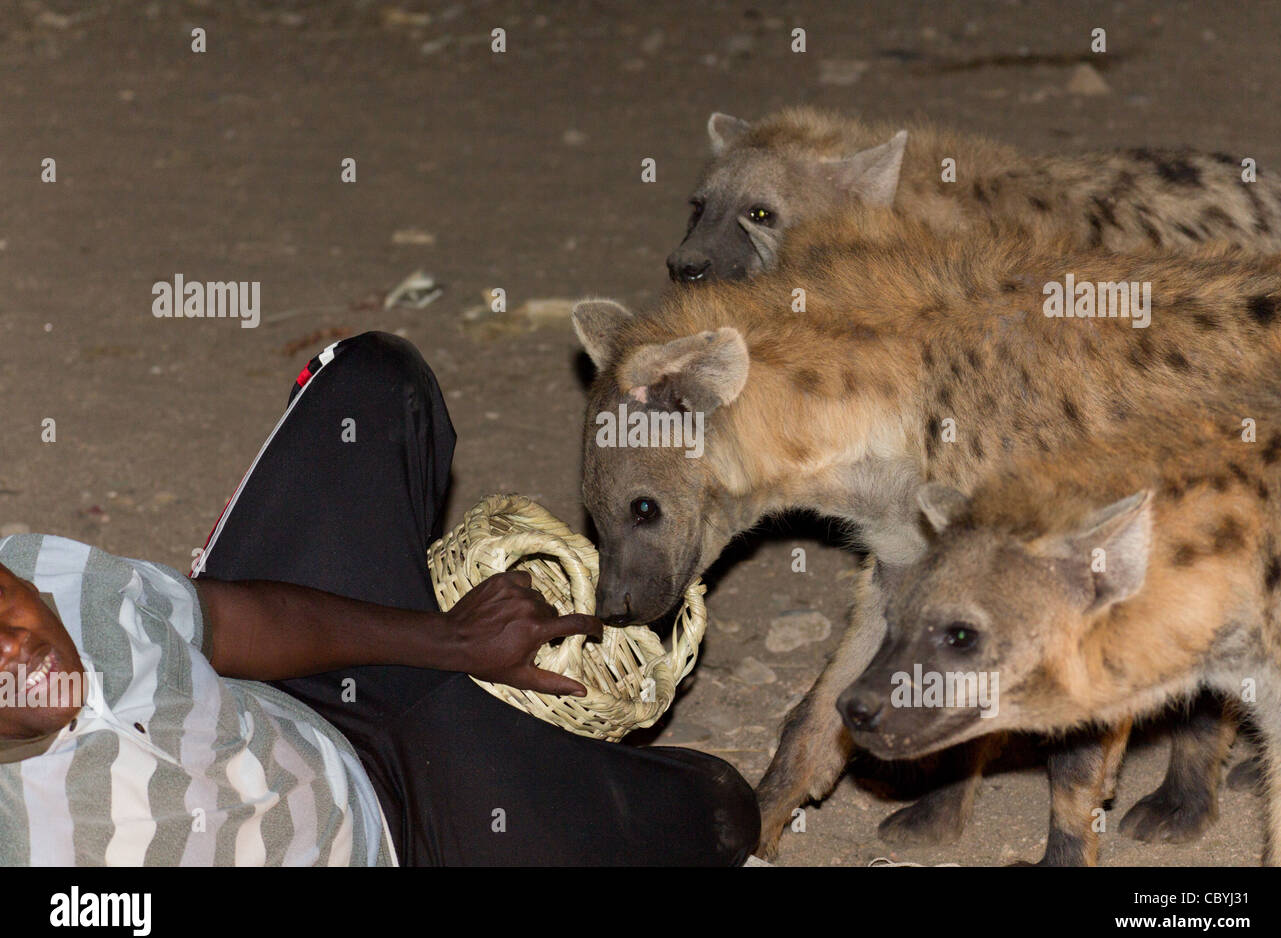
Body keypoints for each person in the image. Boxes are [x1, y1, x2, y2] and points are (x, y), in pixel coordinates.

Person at [0, 331, 759, 866]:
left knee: (373, 382)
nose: (9, 645)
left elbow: (231, 621)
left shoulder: (54, 576)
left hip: (307, 701)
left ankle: (439, 665)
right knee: (720, 812)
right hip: (410, 839)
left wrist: (448, 640)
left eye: (0, 603)